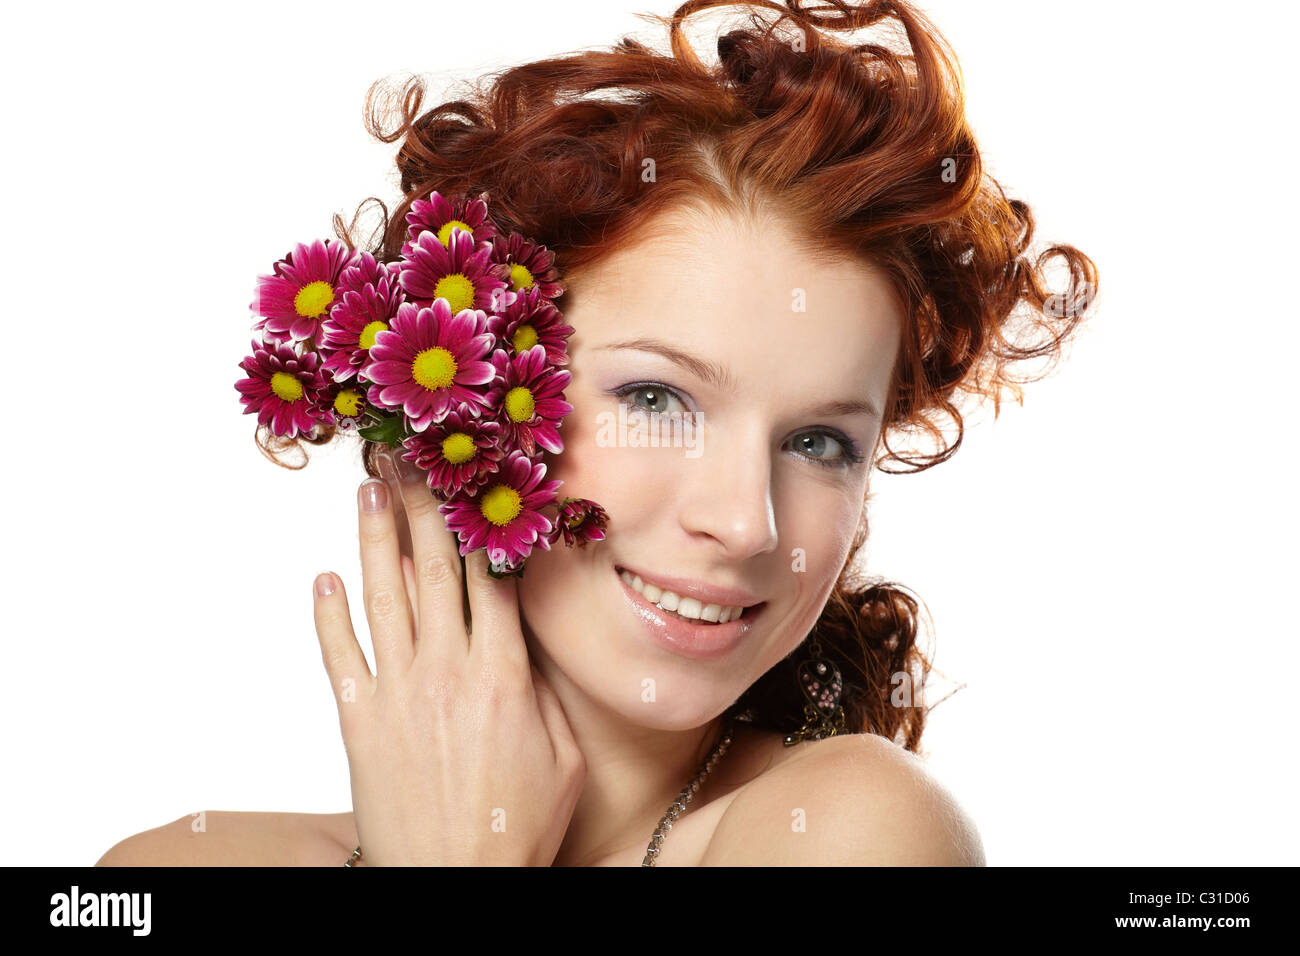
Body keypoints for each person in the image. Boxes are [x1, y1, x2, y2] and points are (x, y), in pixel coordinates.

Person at [96, 0, 1095, 866]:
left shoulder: (853, 827)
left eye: (820, 443)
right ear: (467, 399)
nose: (745, 523)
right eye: (657, 400)